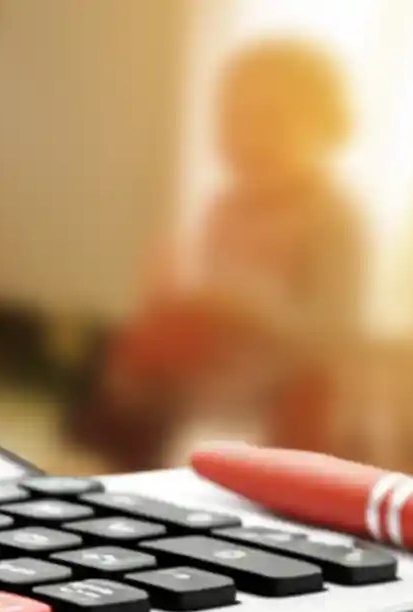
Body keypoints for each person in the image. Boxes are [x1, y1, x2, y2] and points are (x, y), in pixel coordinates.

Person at [96, 38, 364, 470]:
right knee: (127, 369)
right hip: (211, 384)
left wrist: (245, 304)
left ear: (327, 126)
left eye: (271, 120)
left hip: (286, 397)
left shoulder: (332, 218)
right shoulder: (224, 206)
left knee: (297, 423)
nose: (250, 137)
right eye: (234, 120)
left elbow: (329, 334)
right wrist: (174, 306)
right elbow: (207, 296)